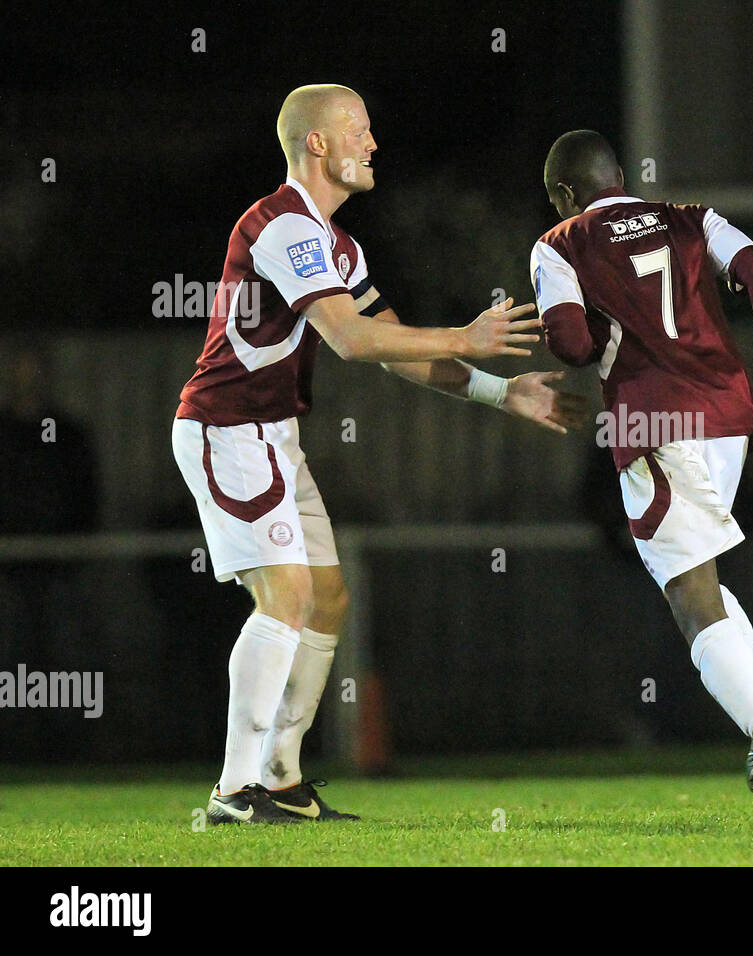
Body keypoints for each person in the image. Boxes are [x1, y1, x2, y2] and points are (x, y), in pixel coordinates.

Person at [173, 84, 583, 824]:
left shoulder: (338, 243)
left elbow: (395, 352)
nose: (371, 143)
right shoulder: (282, 224)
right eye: (357, 130)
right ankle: (235, 792)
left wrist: (502, 392)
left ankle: (282, 779)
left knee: (325, 598)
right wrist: (464, 336)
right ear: (317, 145)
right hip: (225, 430)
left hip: (271, 435)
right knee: (287, 597)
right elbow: (352, 340)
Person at [530, 129, 753, 816]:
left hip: (654, 421)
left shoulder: (561, 241)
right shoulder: (689, 217)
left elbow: (570, 344)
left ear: (566, 195)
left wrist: (603, 333)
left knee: (690, 602)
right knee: (704, 576)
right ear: (623, 175)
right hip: (728, 413)